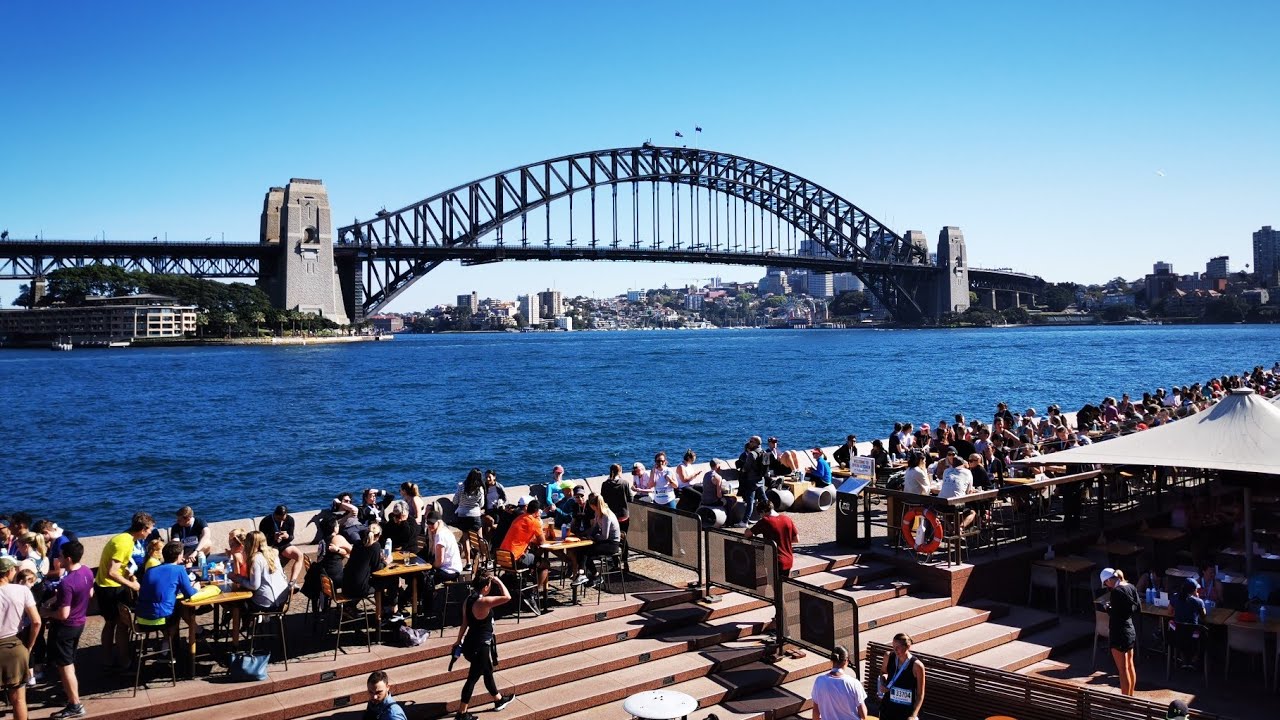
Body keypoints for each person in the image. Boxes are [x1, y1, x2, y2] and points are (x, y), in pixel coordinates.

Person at [452, 570, 516, 720]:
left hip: (470, 643)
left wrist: (458, 640)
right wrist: (498, 581)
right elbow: (507, 597)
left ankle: (498, 700)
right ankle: (461, 713)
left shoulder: (468, 600)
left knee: (487, 671)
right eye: (489, 585)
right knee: (472, 679)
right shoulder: (484, 602)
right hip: (481, 646)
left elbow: (465, 623)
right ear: (486, 587)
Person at [96, 511, 153, 668]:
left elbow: (121, 565)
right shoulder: (125, 543)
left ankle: (108, 657)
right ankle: (124, 659)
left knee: (110, 623)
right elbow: (112, 572)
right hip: (111, 588)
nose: (150, 533)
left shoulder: (124, 537)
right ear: (142, 529)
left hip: (105, 586)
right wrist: (132, 585)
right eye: (149, 530)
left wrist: (129, 574)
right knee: (121, 624)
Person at [42, 540, 90, 719]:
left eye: (60, 556)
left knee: (65, 666)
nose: (58, 558)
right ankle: (68, 694)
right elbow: (89, 593)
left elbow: (63, 614)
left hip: (65, 627)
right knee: (68, 662)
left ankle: (74, 704)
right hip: (79, 622)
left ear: (68, 558)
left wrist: (46, 612)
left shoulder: (66, 583)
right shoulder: (85, 571)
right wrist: (57, 600)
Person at [135, 540, 199, 648]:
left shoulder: (151, 570)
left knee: (173, 606)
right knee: (180, 608)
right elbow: (189, 593)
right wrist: (196, 588)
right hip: (160, 619)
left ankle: (195, 632)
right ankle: (167, 646)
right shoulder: (179, 569)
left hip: (141, 618)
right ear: (179, 555)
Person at [0, 556, 40, 720]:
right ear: (9, 572)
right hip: (15, 646)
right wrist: (29, 646)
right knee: (19, 699)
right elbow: (36, 621)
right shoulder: (22, 591)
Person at [497, 500, 549, 598]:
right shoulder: (535, 522)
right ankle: (535, 592)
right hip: (515, 560)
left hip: (502, 557)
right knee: (545, 564)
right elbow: (542, 542)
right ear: (537, 511)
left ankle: (526, 578)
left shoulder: (518, 518)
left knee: (532, 557)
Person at [1100, 567, 1140, 696]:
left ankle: (1125, 701)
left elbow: (1115, 615)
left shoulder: (1116, 592)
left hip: (1119, 632)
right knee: (1130, 665)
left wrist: (1107, 608)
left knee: (1122, 670)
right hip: (1130, 629)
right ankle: (1131, 696)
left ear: (1109, 580)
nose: (1106, 586)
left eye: (1105, 583)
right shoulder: (1131, 587)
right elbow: (1137, 607)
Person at [231, 531, 290, 613]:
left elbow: (254, 586)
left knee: (238, 604)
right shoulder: (273, 552)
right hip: (282, 600)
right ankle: (255, 624)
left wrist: (238, 579)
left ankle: (248, 625)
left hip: (267, 602)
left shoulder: (256, 558)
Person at [420, 511, 465, 613]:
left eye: (432, 523)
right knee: (423, 576)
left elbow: (439, 562)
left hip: (450, 570)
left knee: (426, 578)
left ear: (439, 522)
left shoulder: (440, 536)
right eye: (428, 523)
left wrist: (429, 566)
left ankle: (428, 608)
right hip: (450, 567)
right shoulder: (443, 531)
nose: (430, 526)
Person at [573, 494, 621, 588]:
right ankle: (593, 575)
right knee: (580, 550)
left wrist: (594, 538)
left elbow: (604, 536)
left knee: (586, 552)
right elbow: (595, 527)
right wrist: (586, 535)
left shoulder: (606, 516)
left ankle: (583, 574)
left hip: (611, 544)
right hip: (603, 541)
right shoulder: (598, 513)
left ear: (595, 506)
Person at [811, 644, 867, 720]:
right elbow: (863, 715)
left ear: (832, 660)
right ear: (846, 661)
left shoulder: (819, 681)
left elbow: (815, 712)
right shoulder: (854, 683)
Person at [877, 632, 925, 720]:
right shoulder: (889, 656)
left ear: (907, 647)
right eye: (893, 646)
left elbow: (920, 694)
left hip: (906, 710)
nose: (895, 650)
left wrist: (913, 715)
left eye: (898, 647)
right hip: (888, 706)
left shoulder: (917, 666)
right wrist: (883, 682)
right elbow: (883, 672)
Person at [259, 505, 304, 586]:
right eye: (278, 519)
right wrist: (273, 537)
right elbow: (261, 540)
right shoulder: (266, 521)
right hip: (270, 546)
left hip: (284, 544)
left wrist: (287, 536)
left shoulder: (290, 520)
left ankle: (292, 581)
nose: (281, 521)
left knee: (299, 555)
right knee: (275, 558)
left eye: (283, 519)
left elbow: (291, 536)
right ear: (275, 515)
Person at [735, 436, 766, 527]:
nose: (749, 443)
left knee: (750, 502)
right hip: (761, 480)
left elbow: (746, 468)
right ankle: (772, 513)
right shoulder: (764, 452)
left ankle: (745, 521)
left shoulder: (752, 454)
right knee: (764, 499)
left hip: (751, 481)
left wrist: (743, 471)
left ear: (756, 443)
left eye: (751, 441)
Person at [600, 464, 633, 532]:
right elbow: (631, 498)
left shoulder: (605, 484)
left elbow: (602, 500)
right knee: (623, 534)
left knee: (612, 535)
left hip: (610, 514)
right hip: (623, 515)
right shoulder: (624, 483)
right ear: (620, 471)